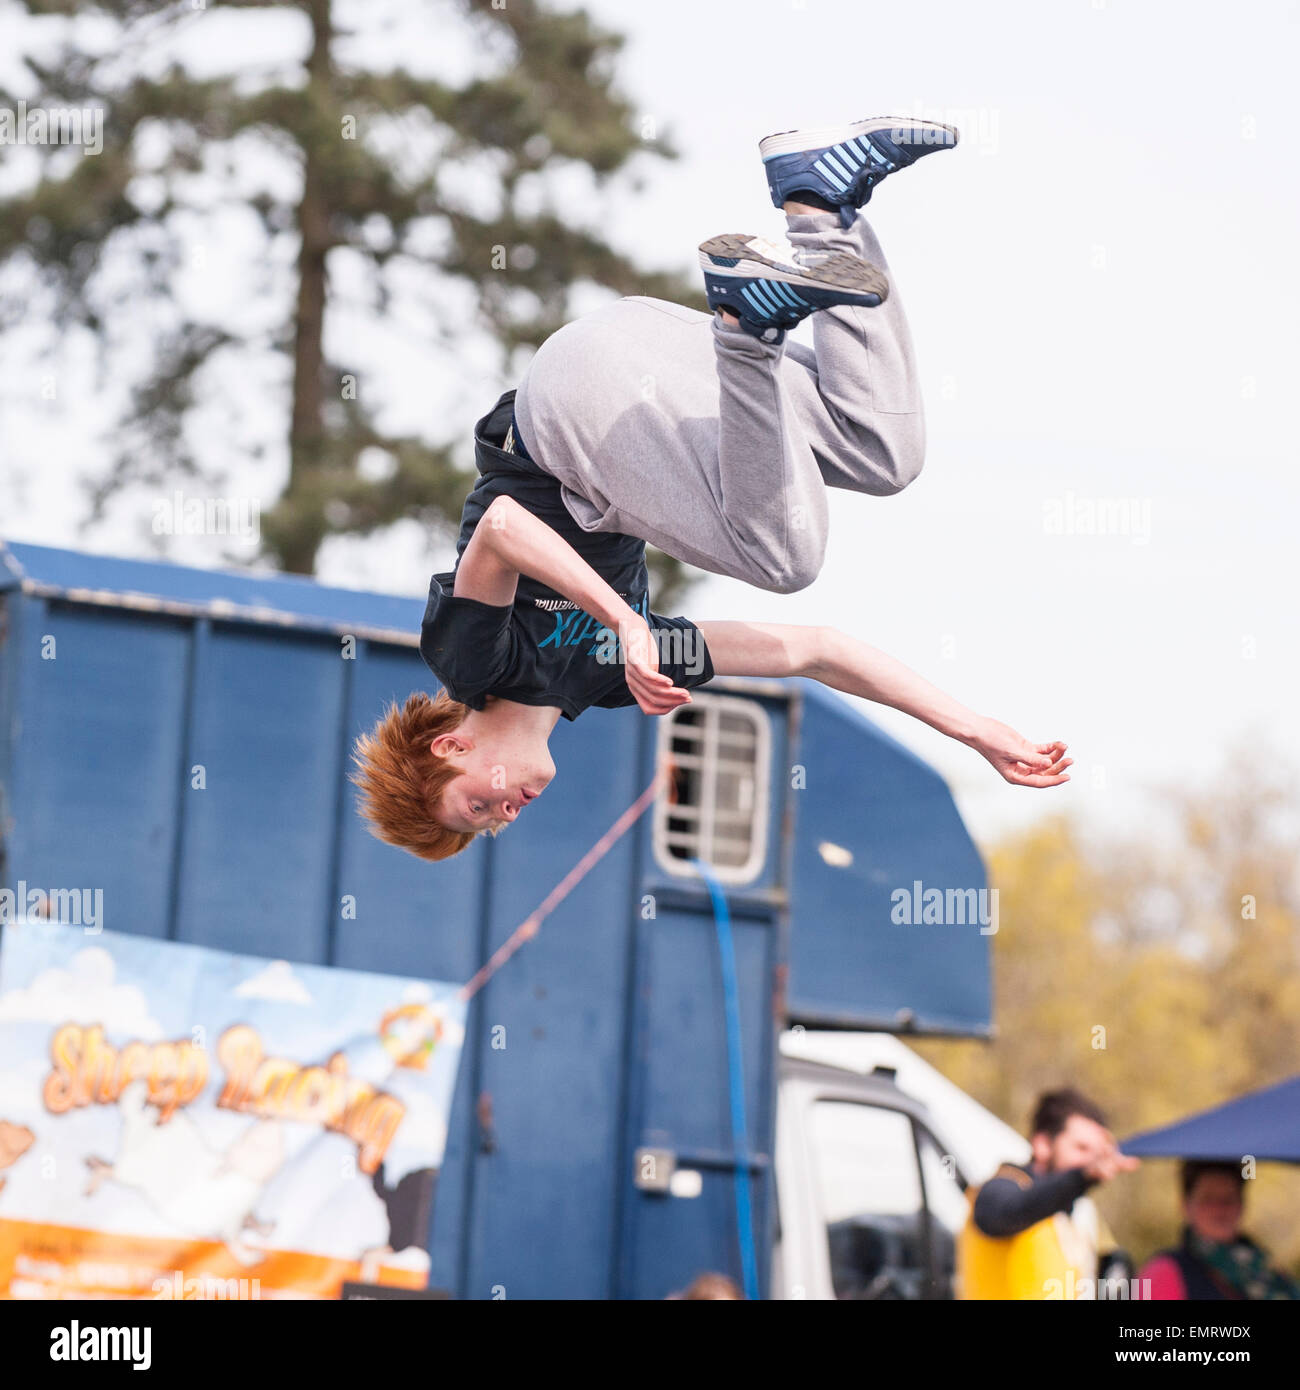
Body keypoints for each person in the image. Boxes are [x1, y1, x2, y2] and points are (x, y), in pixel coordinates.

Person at [353, 116, 1071, 862]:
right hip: (635, 368)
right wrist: (972, 728)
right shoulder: (605, 680)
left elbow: (503, 526)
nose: (504, 812)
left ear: (451, 744)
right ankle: (819, 203)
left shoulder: (471, 661)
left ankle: (744, 328)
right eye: (495, 825)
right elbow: (813, 651)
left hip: (570, 410)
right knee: (883, 453)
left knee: (784, 559)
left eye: (476, 805)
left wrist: (625, 624)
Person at [958, 1088, 1138, 1300]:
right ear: (1043, 1144)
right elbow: (1009, 1211)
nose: (1091, 1160)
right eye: (1081, 1148)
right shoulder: (1001, 1188)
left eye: (1096, 1153)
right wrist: (1082, 1177)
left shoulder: (1068, 1213)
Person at [1139, 1160, 1300, 1300]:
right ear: (1185, 1205)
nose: (1219, 1209)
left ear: (1242, 1204)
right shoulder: (1163, 1272)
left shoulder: (1269, 1270)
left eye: (1228, 1199)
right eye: (1208, 1199)